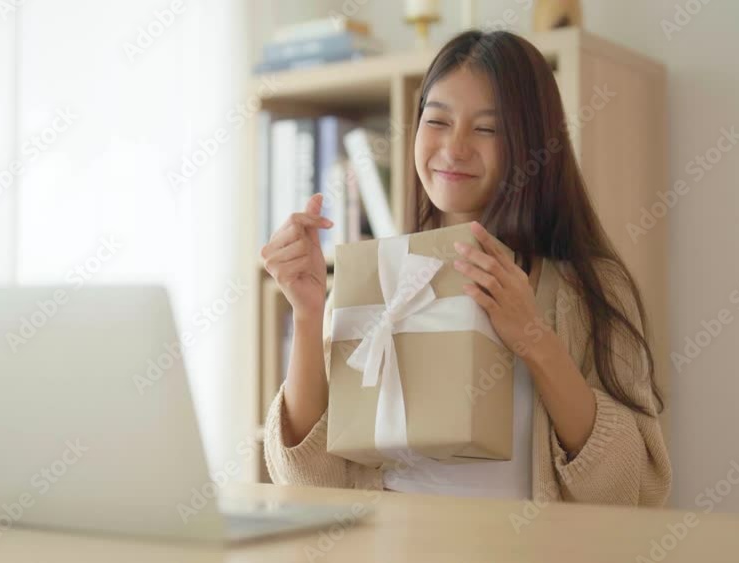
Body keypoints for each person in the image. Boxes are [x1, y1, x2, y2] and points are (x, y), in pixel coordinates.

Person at [258, 30, 671, 506]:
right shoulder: (383, 281)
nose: (454, 148)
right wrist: (309, 314)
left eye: (487, 129)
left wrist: (534, 337)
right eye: (437, 120)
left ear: (533, 144)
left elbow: (629, 490)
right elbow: (307, 481)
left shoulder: (592, 290)